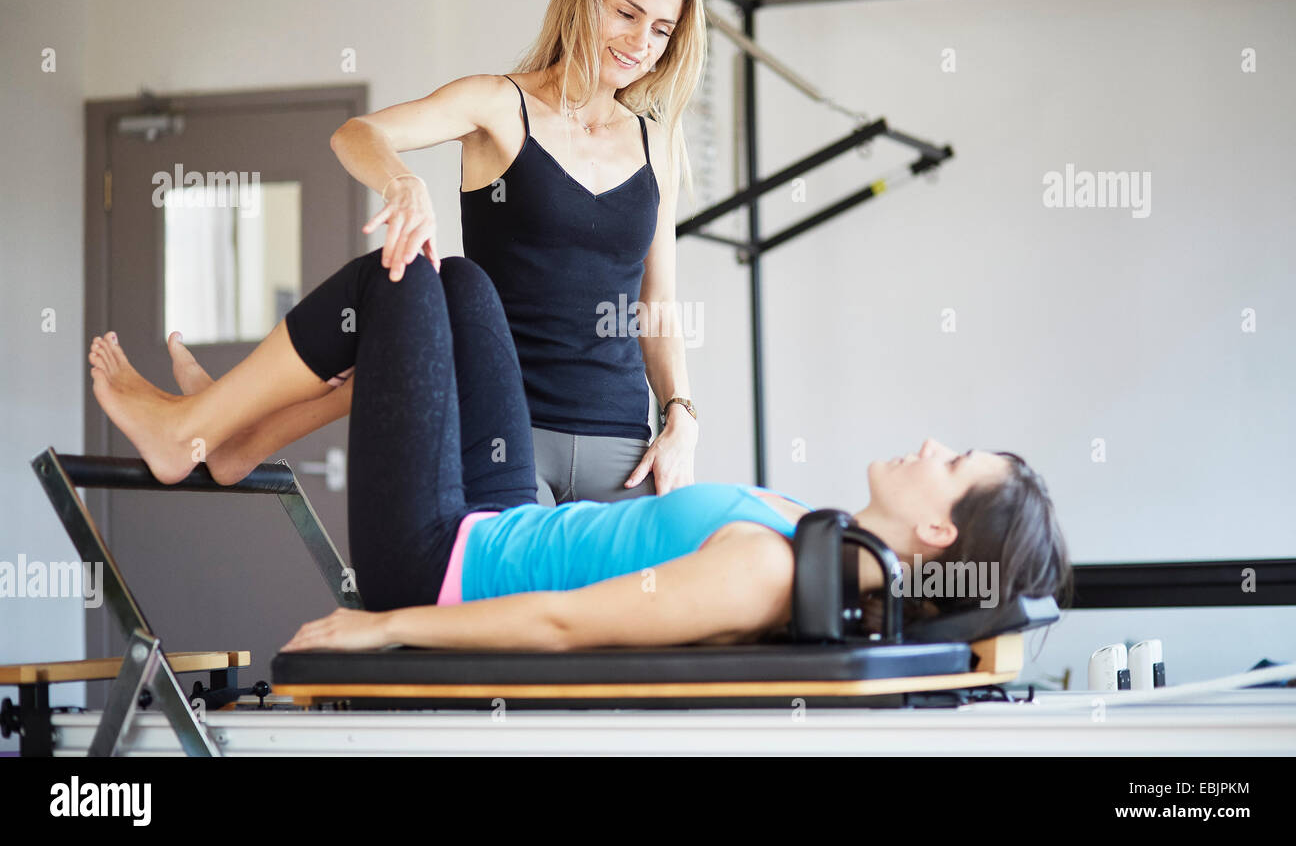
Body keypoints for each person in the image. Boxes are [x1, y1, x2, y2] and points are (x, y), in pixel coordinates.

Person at [88, 247, 1072, 652]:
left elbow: (563, 623)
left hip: (440, 560)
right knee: (458, 281)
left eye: (957, 458)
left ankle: (192, 430)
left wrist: (380, 630)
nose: (934, 442)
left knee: (395, 283)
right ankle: (223, 432)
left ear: (938, 530)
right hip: (509, 516)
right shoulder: (807, 538)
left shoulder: (771, 568)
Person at [327, 0, 709, 504]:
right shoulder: (497, 105)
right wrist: (402, 182)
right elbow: (357, 132)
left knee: (620, 596)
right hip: (504, 425)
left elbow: (655, 302)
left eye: (661, 29)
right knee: (513, 595)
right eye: (627, 14)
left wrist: (681, 412)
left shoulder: (656, 142)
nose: (641, 42)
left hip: (623, 442)